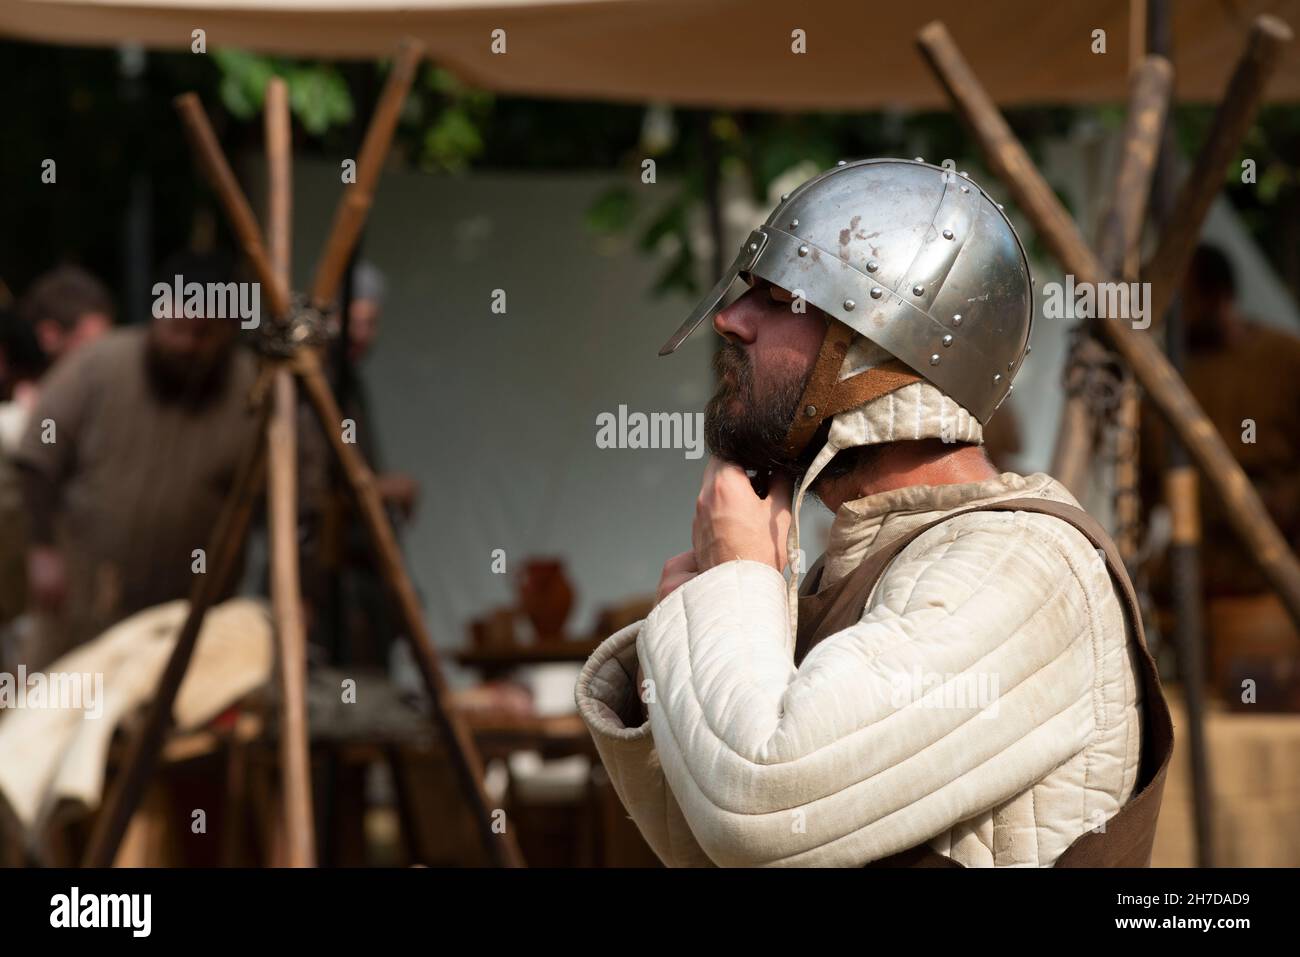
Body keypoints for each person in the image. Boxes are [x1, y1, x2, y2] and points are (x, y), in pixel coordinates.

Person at [575, 158, 1171, 867]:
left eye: (777, 297)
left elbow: (762, 804)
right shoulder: (871, 565)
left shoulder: (1022, 567)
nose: (732, 320)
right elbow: (711, 845)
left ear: (879, 347)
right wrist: (688, 651)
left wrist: (735, 582)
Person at [12, 250, 283, 666]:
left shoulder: (256, 393)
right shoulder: (98, 366)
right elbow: (37, 458)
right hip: (82, 606)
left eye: (203, 334)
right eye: (177, 329)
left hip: (190, 622)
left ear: (228, 331)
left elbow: (293, 498)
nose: (187, 345)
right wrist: (42, 549)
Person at [1140, 244, 1300, 598]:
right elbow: (1143, 487)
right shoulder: (1160, 378)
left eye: (1184, 300)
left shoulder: (1285, 359)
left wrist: (1282, 501)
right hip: (1190, 573)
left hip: (1271, 569)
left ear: (1218, 296)